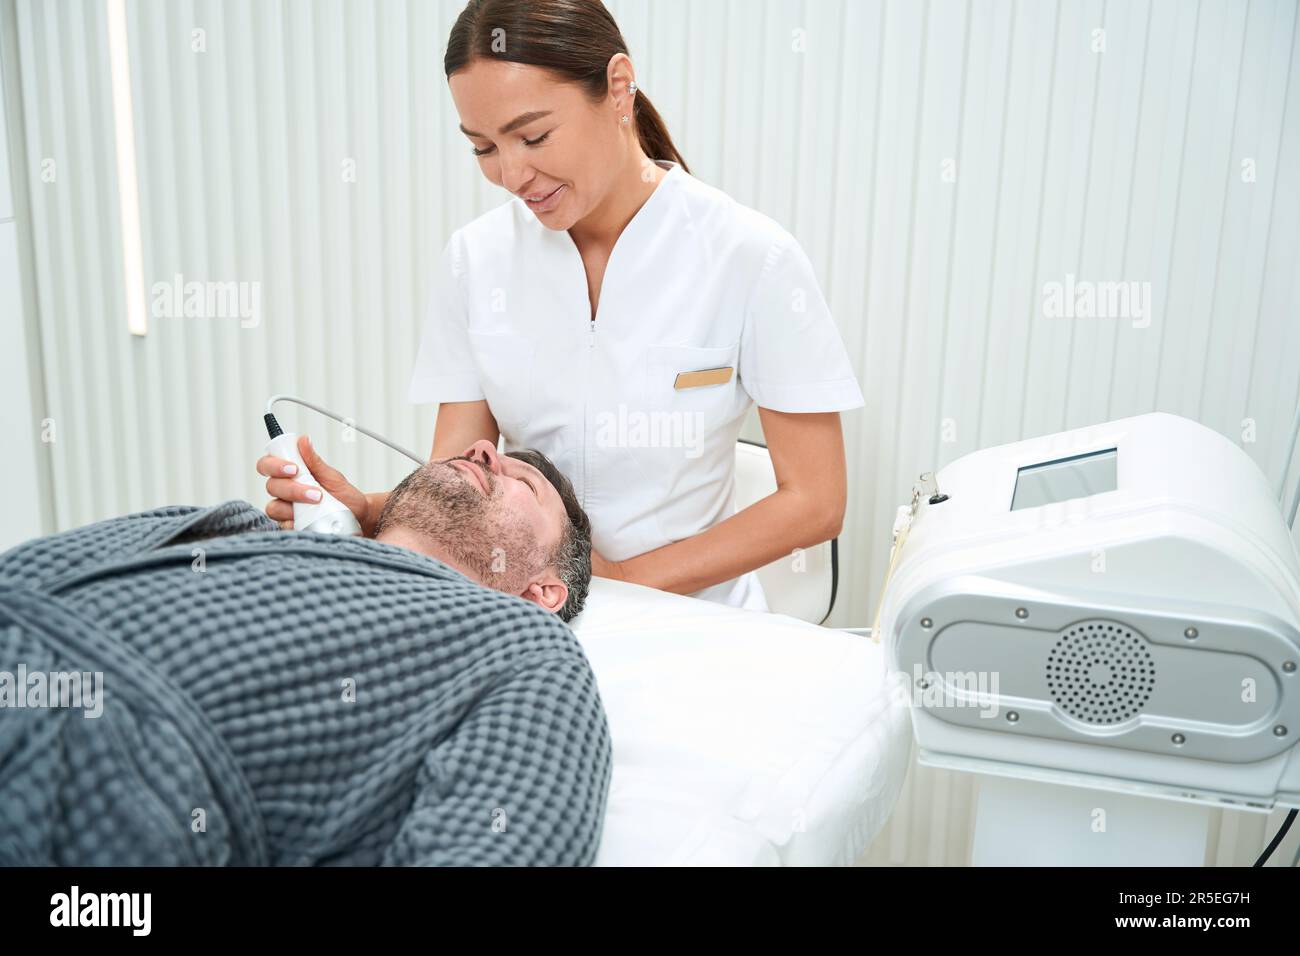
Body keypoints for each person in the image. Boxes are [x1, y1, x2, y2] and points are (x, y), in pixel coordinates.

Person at [259, 0, 864, 612]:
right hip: (529, 614)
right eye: (483, 148)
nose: (512, 174)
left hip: (696, 619)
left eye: (533, 136)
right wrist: (364, 510)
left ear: (619, 89)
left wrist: (623, 578)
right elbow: (462, 485)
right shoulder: (477, 260)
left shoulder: (750, 256)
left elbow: (816, 500)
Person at [0, 444, 609, 866]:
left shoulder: (529, 649)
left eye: (522, 482)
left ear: (542, 591)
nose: (482, 449)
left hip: (79, 768)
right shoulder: (232, 527)